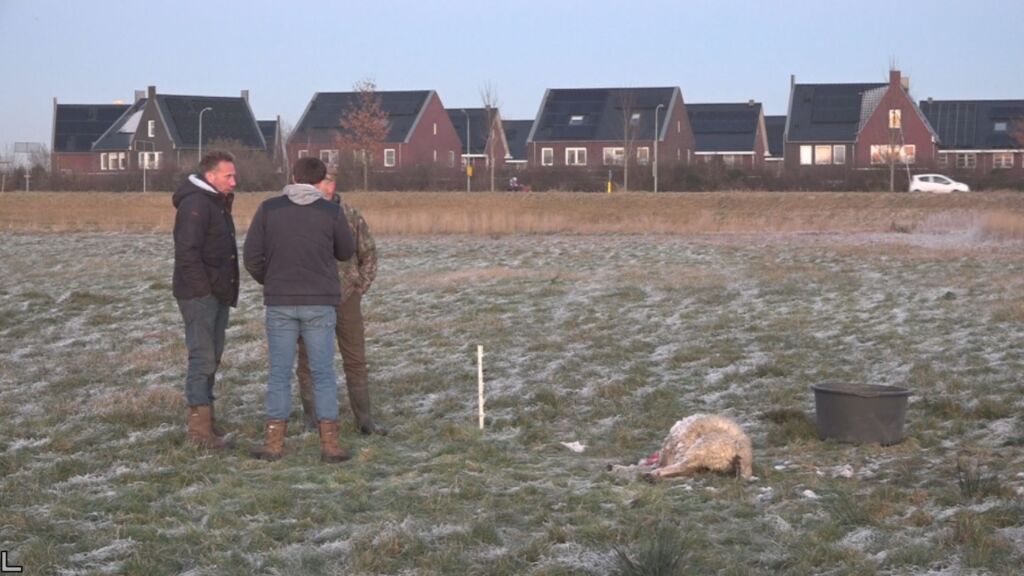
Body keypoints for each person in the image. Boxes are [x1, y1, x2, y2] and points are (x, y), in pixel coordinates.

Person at [243, 157, 355, 463]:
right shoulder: (331, 212)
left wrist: (273, 280)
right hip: (319, 302)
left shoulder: (268, 209)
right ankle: (330, 445)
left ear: (293, 177)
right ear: (321, 182)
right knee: (322, 373)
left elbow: (252, 256)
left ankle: (274, 444)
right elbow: (346, 251)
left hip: (280, 302)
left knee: (279, 373)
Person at [295, 168, 387, 436]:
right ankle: (312, 419)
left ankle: (365, 421)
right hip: (311, 299)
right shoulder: (300, 215)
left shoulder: (350, 215)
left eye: (330, 181)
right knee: (308, 360)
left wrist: (360, 286)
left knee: (355, 359)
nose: (327, 186)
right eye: (322, 180)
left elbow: (368, 252)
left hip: (346, 298)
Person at [172, 150, 239, 450]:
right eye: (229, 176)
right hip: (200, 296)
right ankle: (199, 433)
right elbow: (187, 252)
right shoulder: (196, 204)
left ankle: (207, 420)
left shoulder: (216, 202)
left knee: (213, 356)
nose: (234, 181)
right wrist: (203, 290)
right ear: (210, 176)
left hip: (216, 293)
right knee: (202, 358)